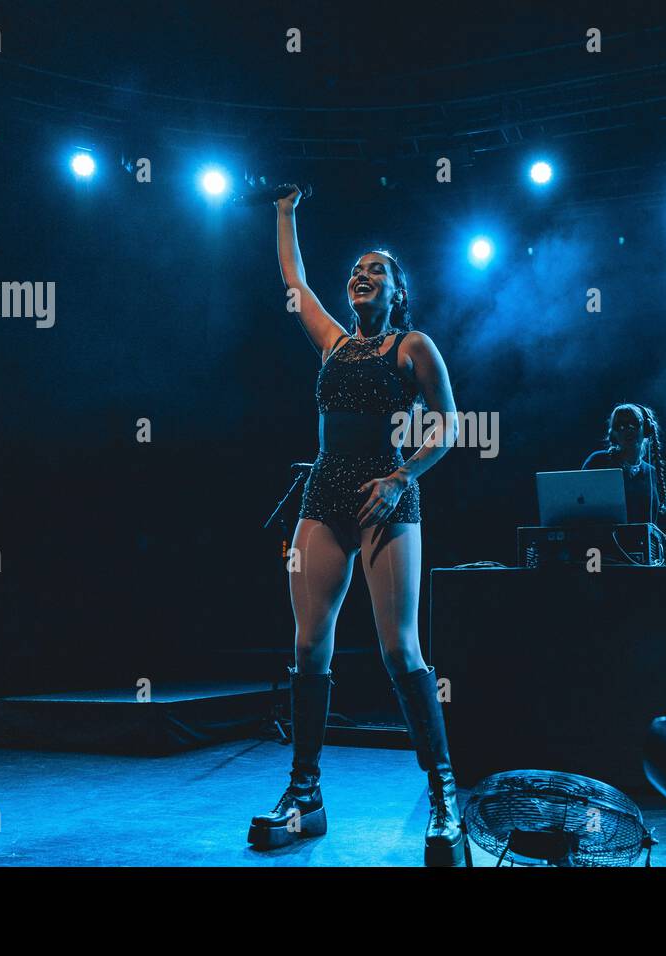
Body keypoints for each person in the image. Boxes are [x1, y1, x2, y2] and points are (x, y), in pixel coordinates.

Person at [248, 185, 466, 866]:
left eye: (377, 269)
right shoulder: (332, 342)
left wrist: (403, 478)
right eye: (356, 269)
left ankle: (443, 796)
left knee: (400, 651)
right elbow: (293, 277)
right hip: (324, 491)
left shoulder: (414, 345)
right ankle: (305, 794)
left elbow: (449, 424)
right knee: (308, 647)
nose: (361, 275)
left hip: (386, 493)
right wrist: (285, 212)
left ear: (397, 290)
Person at [581, 402, 666, 525]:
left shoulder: (651, 472)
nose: (627, 430)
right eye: (620, 426)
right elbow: (580, 505)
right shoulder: (598, 461)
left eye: (634, 424)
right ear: (613, 433)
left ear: (647, 429)